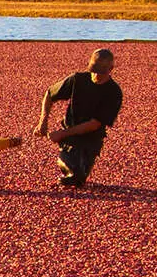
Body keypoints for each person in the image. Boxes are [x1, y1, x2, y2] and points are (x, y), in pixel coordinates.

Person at [34, 48, 122, 187]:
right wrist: (43, 122)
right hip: (70, 137)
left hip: (91, 138)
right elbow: (50, 94)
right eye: (94, 70)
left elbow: (94, 124)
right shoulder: (77, 80)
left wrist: (61, 134)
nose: (97, 75)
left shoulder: (114, 92)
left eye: (101, 72)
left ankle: (76, 168)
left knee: (79, 176)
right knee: (73, 171)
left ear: (111, 69)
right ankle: (67, 159)